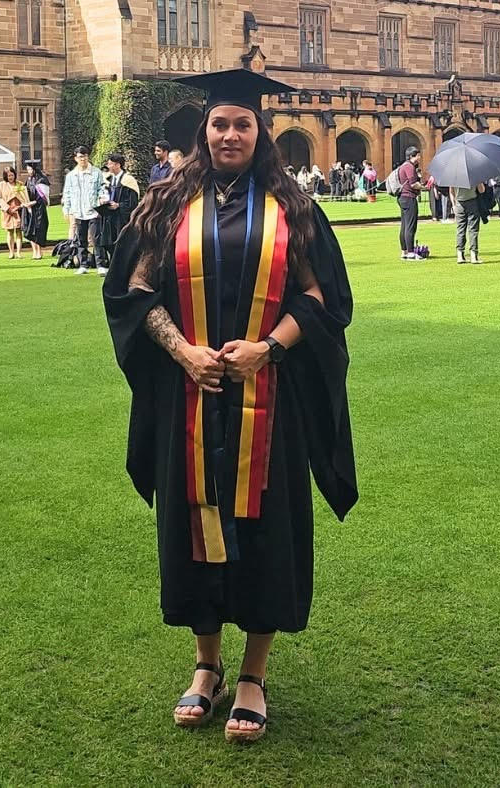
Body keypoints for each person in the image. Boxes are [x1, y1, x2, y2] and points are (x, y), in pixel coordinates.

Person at [103, 68, 357, 745]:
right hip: (188, 398)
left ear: (259, 132)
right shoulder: (163, 205)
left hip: (268, 402)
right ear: (204, 131)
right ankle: (205, 665)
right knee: (195, 528)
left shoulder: (294, 210)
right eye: (220, 123)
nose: (230, 134)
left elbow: (324, 300)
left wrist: (267, 349)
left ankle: (252, 676)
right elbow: (133, 292)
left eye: (243, 123)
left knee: (268, 531)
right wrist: (182, 351)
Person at [62, 145, 106, 275]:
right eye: (81, 157)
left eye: (85, 156)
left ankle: (100, 264)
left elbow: (102, 189)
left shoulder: (96, 172)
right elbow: (67, 193)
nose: (83, 159)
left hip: (93, 211)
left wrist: (100, 202)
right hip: (78, 211)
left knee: (96, 238)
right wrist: (67, 210)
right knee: (81, 240)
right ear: (76, 158)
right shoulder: (71, 175)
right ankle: (83, 264)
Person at [96, 152, 140, 276]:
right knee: (109, 243)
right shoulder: (109, 180)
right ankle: (114, 267)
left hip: (122, 219)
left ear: (117, 165)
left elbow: (132, 203)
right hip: (110, 218)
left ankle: (125, 268)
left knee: (122, 244)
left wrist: (119, 205)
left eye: (110, 163)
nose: (108, 166)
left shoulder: (128, 180)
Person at [396, 146, 424, 259]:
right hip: (408, 197)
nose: (419, 157)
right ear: (412, 156)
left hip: (403, 198)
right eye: (418, 155)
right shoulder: (409, 167)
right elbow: (413, 184)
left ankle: (405, 251)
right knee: (410, 225)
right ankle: (411, 252)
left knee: (404, 225)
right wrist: (424, 187)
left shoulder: (404, 166)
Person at [0, 166, 28, 259]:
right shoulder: (2, 185)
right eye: (9, 176)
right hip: (8, 212)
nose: (11, 177)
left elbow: (24, 197)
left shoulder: (19, 184)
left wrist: (22, 205)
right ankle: (11, 252)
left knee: (18, 231)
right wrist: (7, 208)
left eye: (12, 175)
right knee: (10, 231)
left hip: (18, 210)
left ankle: (18, 252)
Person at [450, 183, 485, 264]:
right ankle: (473, 255)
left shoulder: (454, 176)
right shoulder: (473, 175)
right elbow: (482, 190)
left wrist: (453, 205)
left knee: (460, 229)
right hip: (472, 201)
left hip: (459, 203)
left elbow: (451, 191)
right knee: (473, 230)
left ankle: (460, 255)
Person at [23, 160, 51, 259]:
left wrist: (32, 203)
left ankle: (39, 252)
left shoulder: (41, 180)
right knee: (30, 230)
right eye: (27, 169)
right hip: (29, 209)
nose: (29, 171)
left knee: (38, 230)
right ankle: (34, 251)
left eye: (30, 169)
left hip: (39, 209)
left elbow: (42, 198)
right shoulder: (28, 180)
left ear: (34, 169)